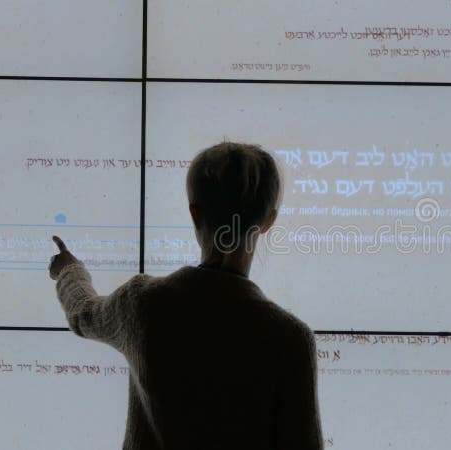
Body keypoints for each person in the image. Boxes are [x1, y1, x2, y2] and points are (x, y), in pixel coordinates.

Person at [48, 142, 323, 450]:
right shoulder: (290, 340)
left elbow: (82, 312)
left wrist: (69, 270)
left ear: (195, 214)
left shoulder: (143, 304)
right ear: (269, 221)